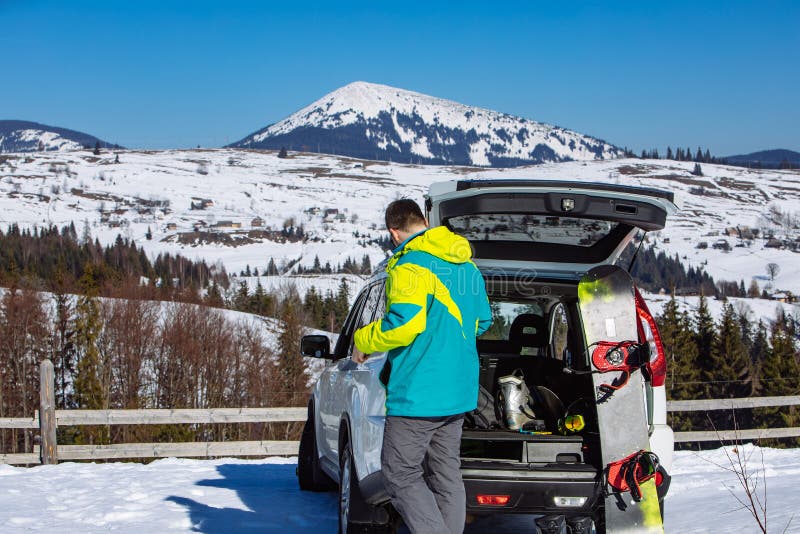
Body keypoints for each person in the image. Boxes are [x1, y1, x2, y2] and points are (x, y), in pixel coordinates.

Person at [352, 199, 492, 534]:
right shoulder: (466, 265)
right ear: (425, 220)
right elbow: (483, 322)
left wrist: (363, 340)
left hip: (419, 390)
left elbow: (404, 325)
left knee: (399, 474)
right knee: (446, 474)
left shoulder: (409, 266)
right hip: (458, 390)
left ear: (393, 232)